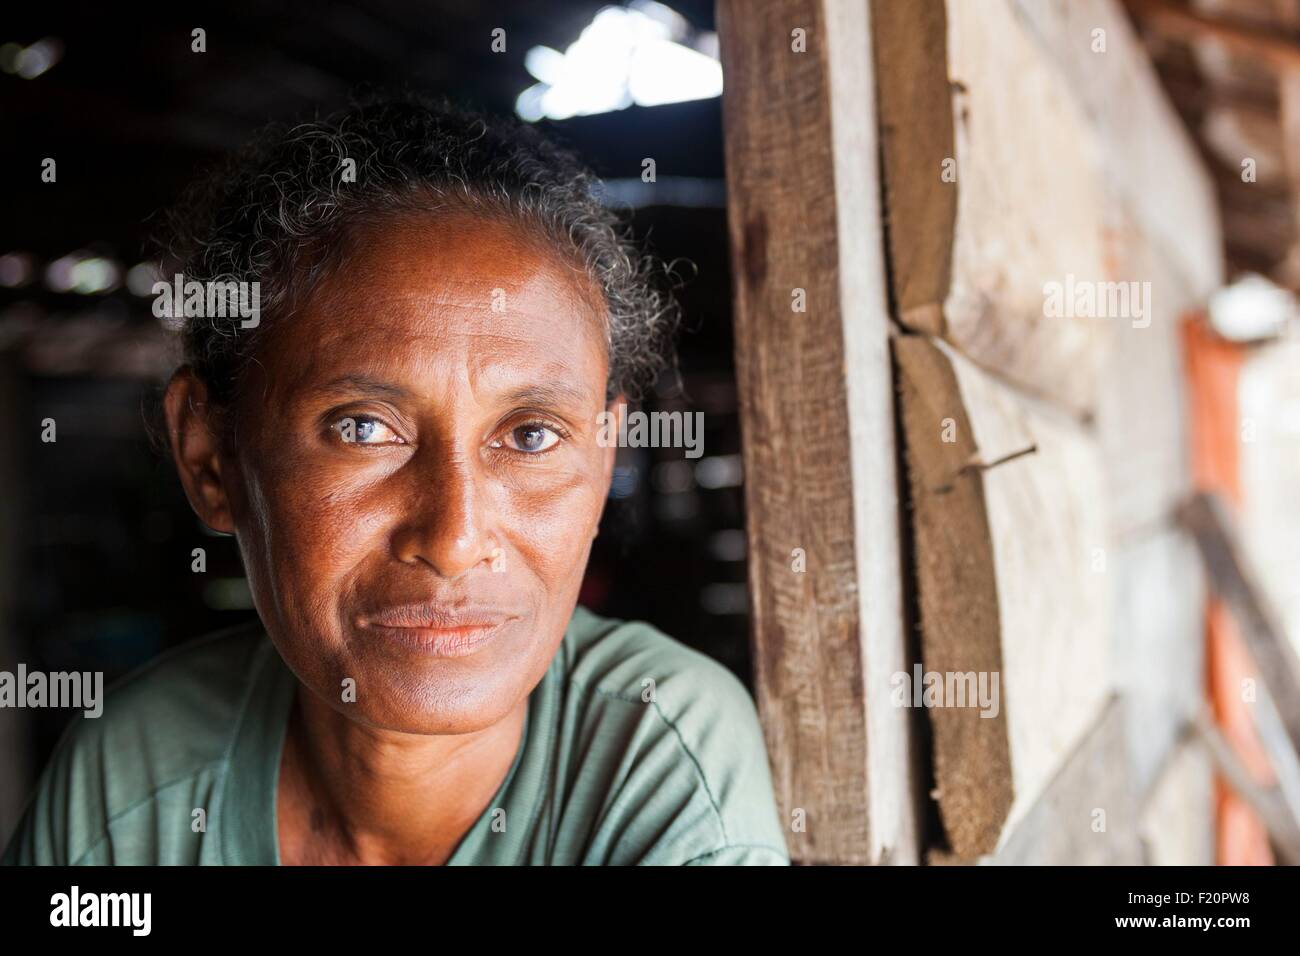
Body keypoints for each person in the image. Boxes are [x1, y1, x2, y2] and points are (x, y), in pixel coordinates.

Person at [1, 94, 789, 866]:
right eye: (362, 428)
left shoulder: (661, 754)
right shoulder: (133, 774)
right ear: (213, 460)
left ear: (604, 458)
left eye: (531, 435)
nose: (453, 538)